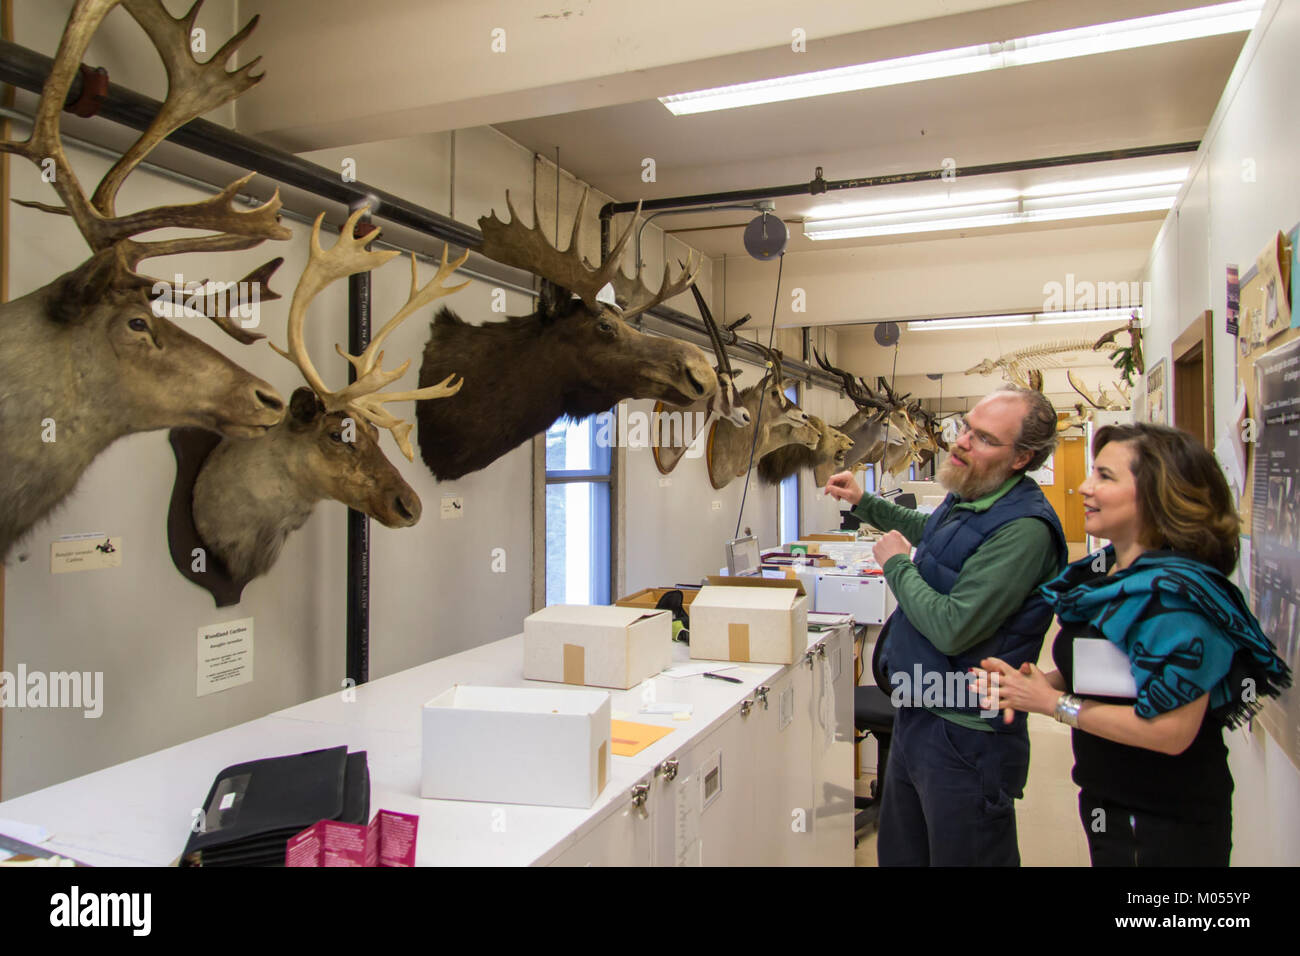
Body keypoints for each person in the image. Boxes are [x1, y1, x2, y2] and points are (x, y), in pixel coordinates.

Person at [976, 423, 1291, 866]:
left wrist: (1054, 704)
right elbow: (1118, 666)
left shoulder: (1175, 597)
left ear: (1158, 495)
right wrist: (1037, 683)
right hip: (1111, 798)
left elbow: (1171, 732)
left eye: (1105, 476)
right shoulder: (1111, 577)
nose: (1085, 487)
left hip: (1162, 818)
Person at [824, 385, 1066, 866]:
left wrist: (897, 566)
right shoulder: (974, 493)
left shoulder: (1023, 530)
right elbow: (933, 533)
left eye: (984, 438)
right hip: (919, 709)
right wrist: (864, 501)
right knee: (903, 854)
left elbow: (953, 628)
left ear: (1022, 458)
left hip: (965, 734)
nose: (963, 442)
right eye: (967, 427)